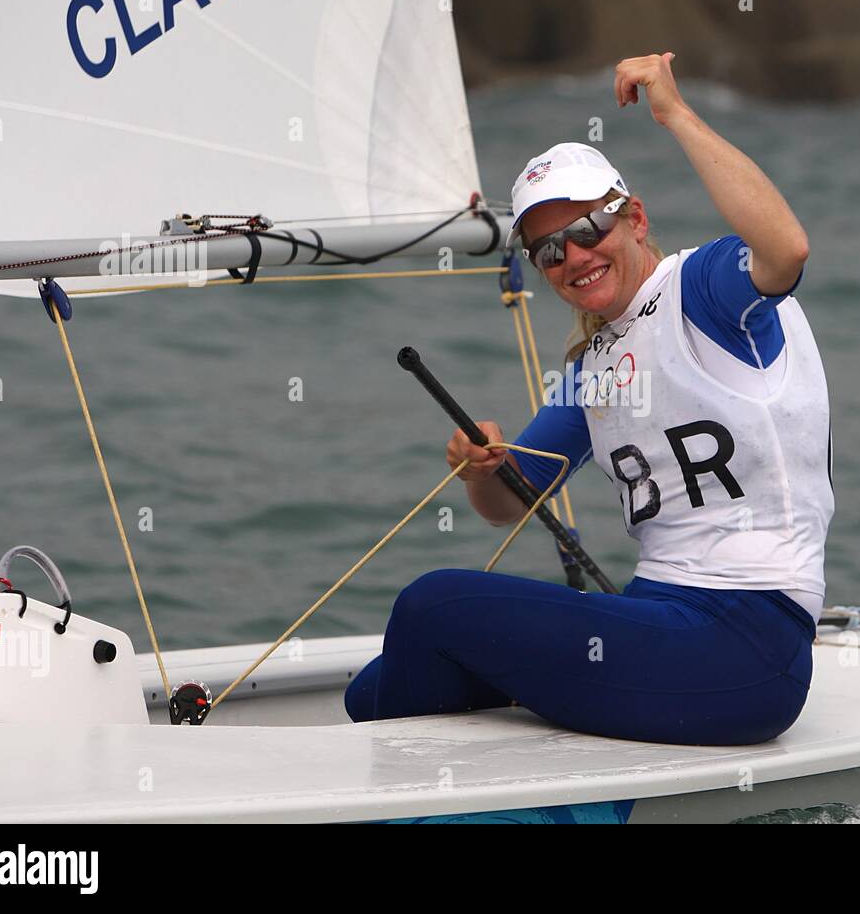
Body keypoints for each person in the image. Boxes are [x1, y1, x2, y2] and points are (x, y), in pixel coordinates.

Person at [344, 53, 834, 745]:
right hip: (661, 623)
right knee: (375, 686)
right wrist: (481, 469)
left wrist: (675, 114)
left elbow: (786, 247)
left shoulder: (703, 289)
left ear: (633, 217)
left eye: (586, 231)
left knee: (431, 605)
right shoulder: (595, 366)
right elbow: (509, 506)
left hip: (748, 645)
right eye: (548, 251)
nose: (572, 257)